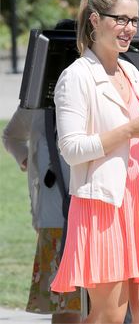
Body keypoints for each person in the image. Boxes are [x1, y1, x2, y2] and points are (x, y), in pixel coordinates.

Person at [50, 0, 139, 324]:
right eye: (121, 19)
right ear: (95, 20)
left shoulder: (132, 72)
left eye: (135, 21)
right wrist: (130, 130)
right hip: (102, 205)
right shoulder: (76, 77)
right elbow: (71, 149)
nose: (130, 29)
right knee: (109, 313)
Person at [2, 20, 81, 324]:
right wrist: (27, 160)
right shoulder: (34, 104)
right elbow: (10, 136)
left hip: (89, 210)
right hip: (52, 215)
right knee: (65, 304)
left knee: (93, 302)